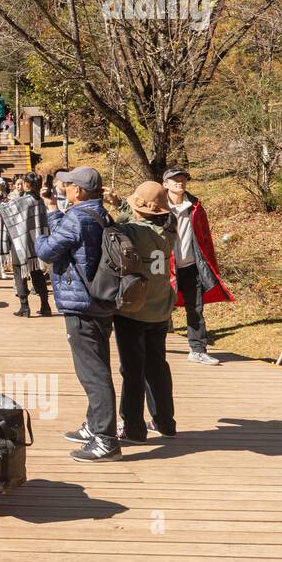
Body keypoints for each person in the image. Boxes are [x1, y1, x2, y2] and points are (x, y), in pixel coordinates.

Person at [35, 165, 119, 462]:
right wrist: (52, 207)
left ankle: (106, 439)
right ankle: (94, 426)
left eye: (68, 185)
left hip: (81, 304)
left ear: (79, 191)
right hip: (99, 301)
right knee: (97, 366)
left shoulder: (78, 216)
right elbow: (72, 238)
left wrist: (38, 237)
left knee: (93, 373)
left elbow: (47, 250)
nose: (64, 187)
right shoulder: (98, 213)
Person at [112, 180, 178, 443]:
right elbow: (143, 219)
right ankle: (165, 420)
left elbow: (117, 228)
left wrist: (120, 206)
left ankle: (133, 426)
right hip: (160, 308)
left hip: (134, 312)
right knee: (157, 366)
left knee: (132, 369)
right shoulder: (169, 231)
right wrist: (125, 204)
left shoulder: (134, 232)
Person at [164, 168, 232, 365]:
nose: (180, 182)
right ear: (165, 184)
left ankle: (198, 350)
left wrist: (212, 267)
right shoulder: (158, 207)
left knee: (195, 309)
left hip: (191, 266)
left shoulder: (195, 207)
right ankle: (154, 346)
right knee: (159, 308)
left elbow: (205, 239)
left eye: (183, 179)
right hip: (165, 267)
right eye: (175, 180)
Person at [1, 172, 51, 317]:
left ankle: (25, 307)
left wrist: (0, 199)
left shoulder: (21, 201)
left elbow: (5, 210)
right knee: (37, 274)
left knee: (19, 274)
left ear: (26, 185)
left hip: (21, 243)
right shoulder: (41, 201)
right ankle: (45, 306)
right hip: (38, 243)